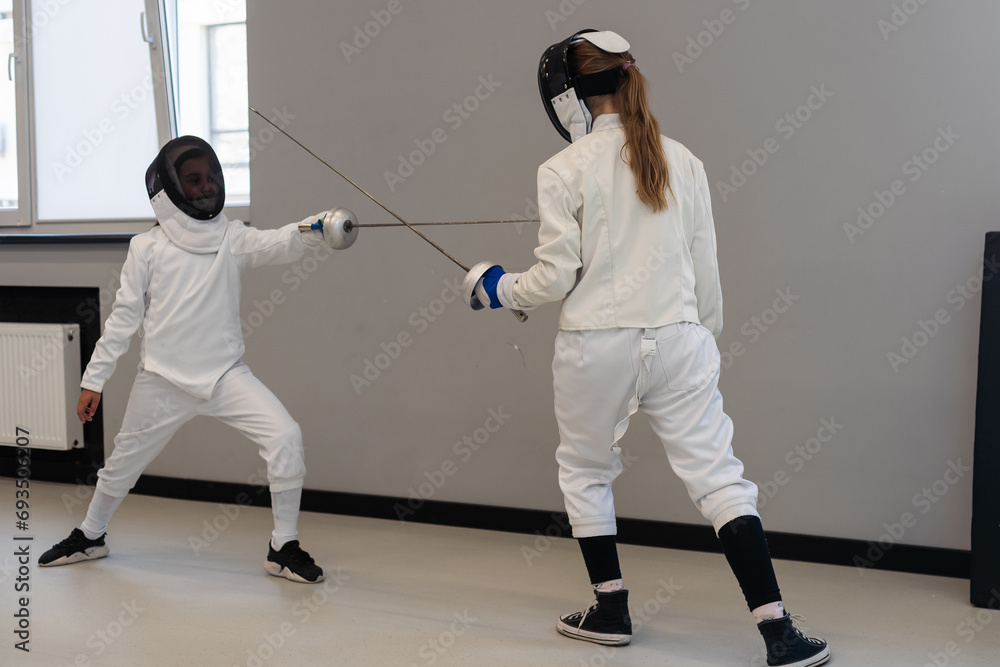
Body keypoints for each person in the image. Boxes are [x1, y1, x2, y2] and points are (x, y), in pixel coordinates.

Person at [468, 30, 830, 666]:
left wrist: (497, 289)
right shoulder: (681, 158)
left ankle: (611, 609)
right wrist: (698, 343)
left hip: (596, 345)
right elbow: (705, 267)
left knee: (585, 471)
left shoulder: (561, 169)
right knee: (720, 480)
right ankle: (779, 633)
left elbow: (553, 279)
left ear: (568, 97)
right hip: (682, 338)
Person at [39, 135, 339, 584]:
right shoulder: (147, 248)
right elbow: (123, 319)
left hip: (224, 376)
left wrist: (316, 227)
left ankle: (283, 547)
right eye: (193, 179)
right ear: (169, 189)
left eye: (212, 177)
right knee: (121, 465)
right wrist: (93, 380)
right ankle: (91, 535)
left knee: (285, 437)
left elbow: (276, 243)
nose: (206, 186)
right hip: (162, 381)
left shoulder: (232, 239)